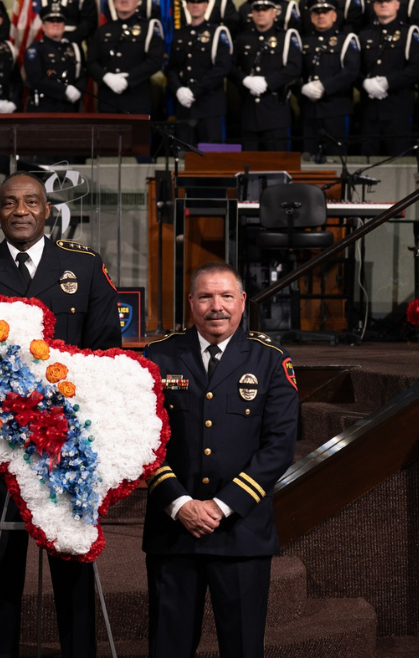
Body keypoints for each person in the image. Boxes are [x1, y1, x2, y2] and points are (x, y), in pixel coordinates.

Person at [0, 172, 122, 658]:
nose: (21, 211)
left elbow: (107, 356)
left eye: (32, 202)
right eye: (10, 203)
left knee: (72, 563)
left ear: (48, 210)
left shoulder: (83, 267)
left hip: (66, 449)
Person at [142, 261, 299, 658]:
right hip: (174, 531)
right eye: (206, 297)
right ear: (191, 302)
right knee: (168, 648)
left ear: (242, 301)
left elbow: (279, 446)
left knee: (243, 648)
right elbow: (141, 439)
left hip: (241, 532)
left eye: (226, 296)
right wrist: (180, 504)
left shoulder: (270, 360)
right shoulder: (158, 356)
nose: (217, 306)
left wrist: (221, 506)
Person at [357, 0, 419, 156]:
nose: (383, 4)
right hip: (369, 110)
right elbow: (353, 69)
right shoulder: (363, 34)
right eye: (379, 1)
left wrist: (388, 82)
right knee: (367, 160)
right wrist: (364, 83)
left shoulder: (409, 33)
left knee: (400, 159)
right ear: (374, 6)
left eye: (388, 0)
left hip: (398, 108)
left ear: (397, 4)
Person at [230, 0, 303, 152]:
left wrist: (268, 82)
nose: (260, 13)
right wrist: (245, 80)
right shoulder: (242, 39)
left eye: (265, 9)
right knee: (248, 162)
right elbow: (230, 67)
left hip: (276, 111)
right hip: (249, 111)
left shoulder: (285, 38)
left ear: (274, 13)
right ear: (252, 13)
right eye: (257, 9)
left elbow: (294, 67)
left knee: (278, 162)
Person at [166, 0, 233, 145]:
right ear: (186, 6)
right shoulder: (179, 34)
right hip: (184, 105)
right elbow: (171, 67)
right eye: (191, 1)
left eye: (200, 1)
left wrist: (194, 91)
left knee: (212, 155)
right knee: (183, 156)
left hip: (210, 106)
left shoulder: (218, 33)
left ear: (206, 5)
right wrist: (179, 89)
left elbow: (222, 68)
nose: (195, 5)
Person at [299, 0, 361, 161]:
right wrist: (302, 88)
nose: (321, 16)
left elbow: (351, 71)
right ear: (311, 17)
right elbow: (294, 71)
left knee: (337, 159)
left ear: (334, 16)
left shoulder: (346, 40)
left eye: (325, 12)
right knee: (308, 160)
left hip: (336, 110)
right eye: (316, 12)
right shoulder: (303, 41)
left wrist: (324, 87)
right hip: (309, 110)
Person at [88, 0, 164, 117]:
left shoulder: (149, 28)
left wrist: (128, 79)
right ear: (114, 2)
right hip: (107, 99)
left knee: (137, 133)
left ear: (137, 1)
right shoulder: (102, 30)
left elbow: (155, 61)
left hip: (136, 99)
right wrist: (105, 77)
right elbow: (92, 61)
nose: (124, 0)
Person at [24, 1, 84, 113]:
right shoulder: (36, 49)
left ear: (64, 26)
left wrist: (78, 90)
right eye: (51, 21)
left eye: (59, 21)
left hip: (69, 108)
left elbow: (81, 74)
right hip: (44, 109)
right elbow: (36, 78)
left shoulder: (72, 48)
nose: (55, 24)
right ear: (43, 26)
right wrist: (64, 90)